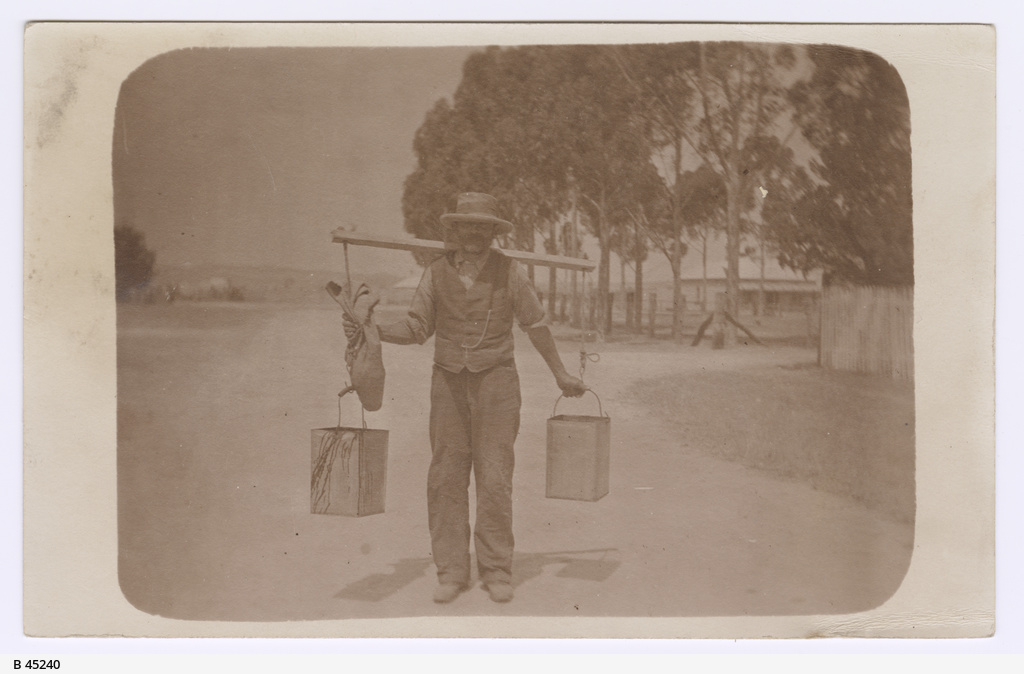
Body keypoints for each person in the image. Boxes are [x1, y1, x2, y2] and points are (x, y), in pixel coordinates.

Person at [359, 192, 587, 604]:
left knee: (495, 478)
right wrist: (372, 329)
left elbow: (535, 324)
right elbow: (415, 328)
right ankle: (451, 571)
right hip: (447, 383)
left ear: (493, 232)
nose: (473, 233)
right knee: (446, 476)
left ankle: (497, 570)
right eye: (467, 226)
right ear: (456, 230)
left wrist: (561, 373)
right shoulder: (435, 273)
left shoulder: (510, 272)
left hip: (498, 384)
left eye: (483, 226)